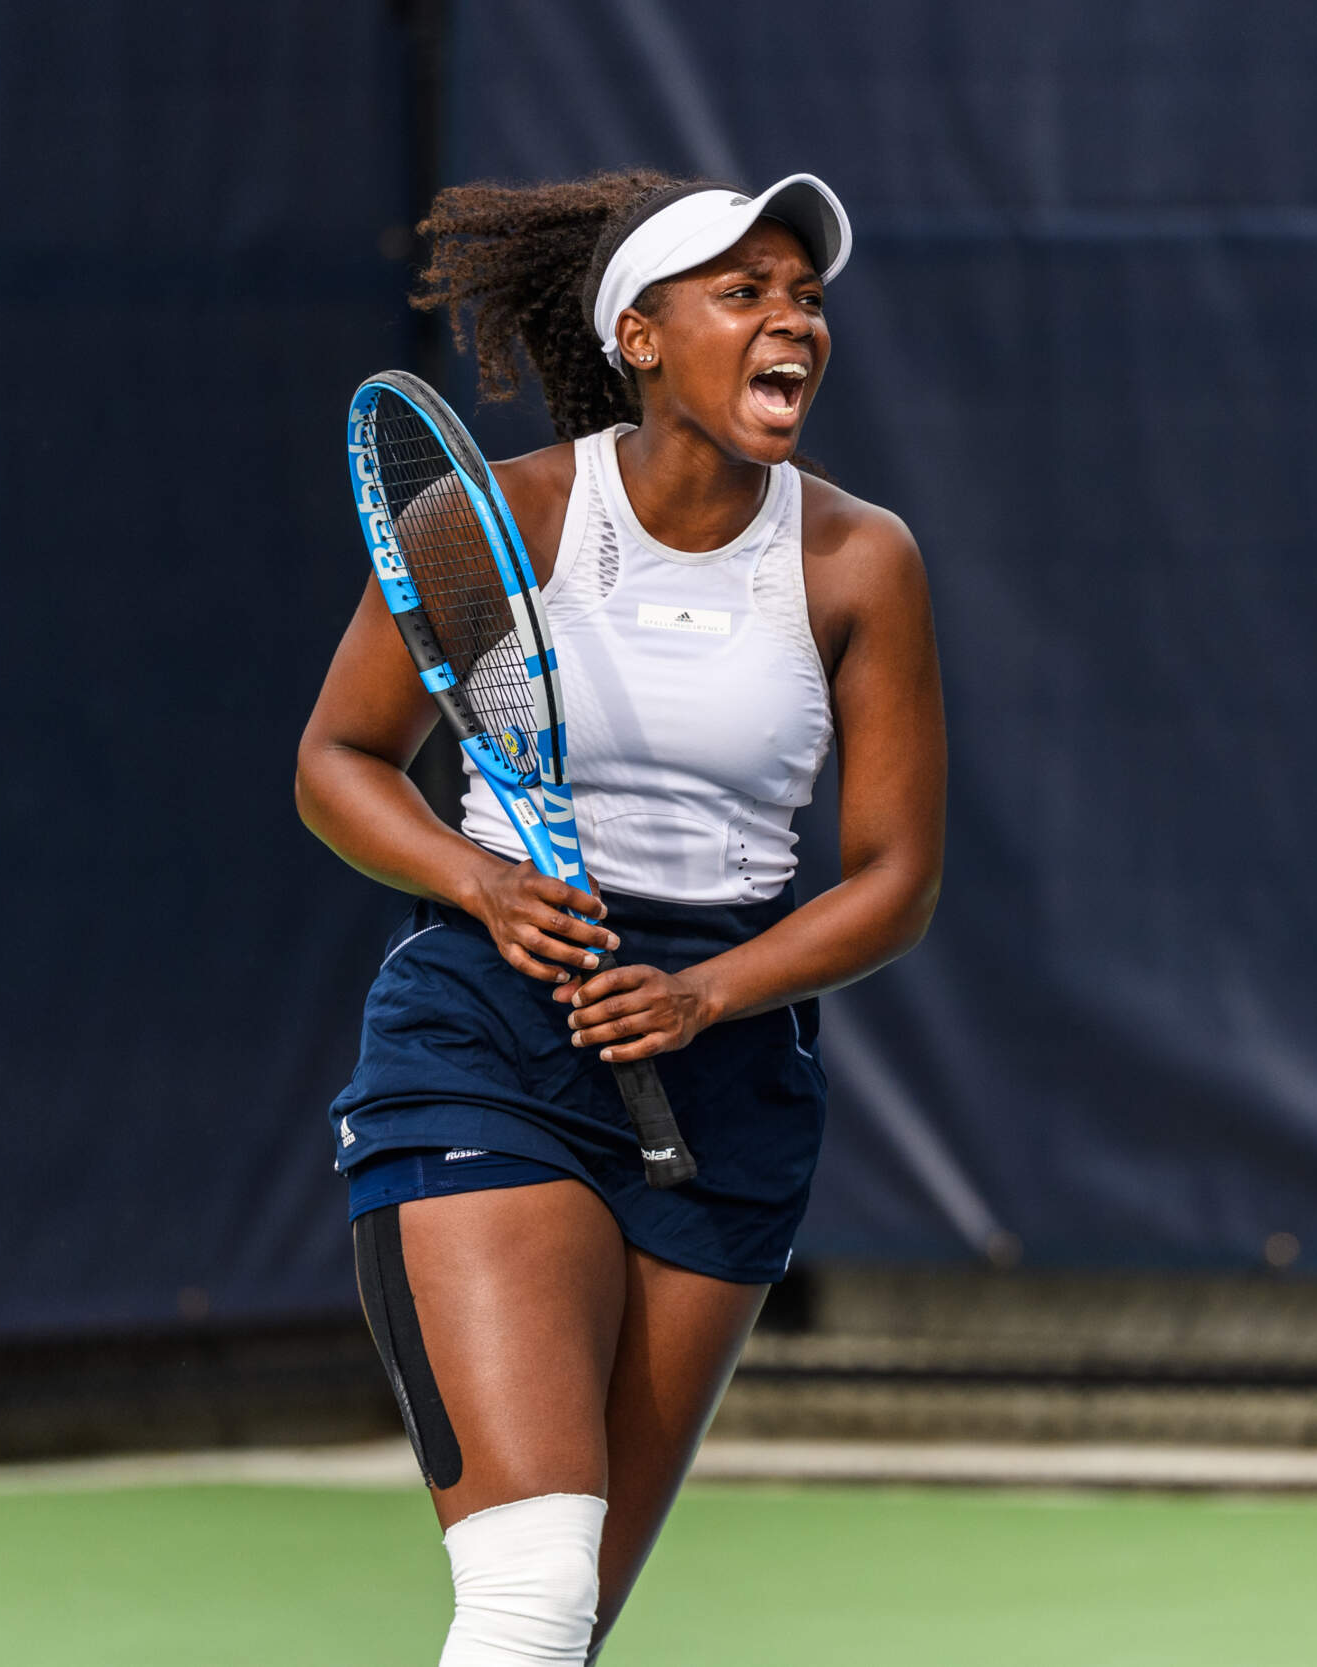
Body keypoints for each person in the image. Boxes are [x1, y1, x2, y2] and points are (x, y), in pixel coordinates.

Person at [294, 169, 945, 1665]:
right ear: (640, 336)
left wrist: (710, 996)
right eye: (746, 292)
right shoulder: (501, 514)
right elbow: (338, 763)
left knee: (568, 1628)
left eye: (808, 297)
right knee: (527, 1594)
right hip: (488, 1037)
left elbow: (896, 878)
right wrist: (480, 882)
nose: (793, 320)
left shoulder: (861, 560)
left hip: (729, 1066)